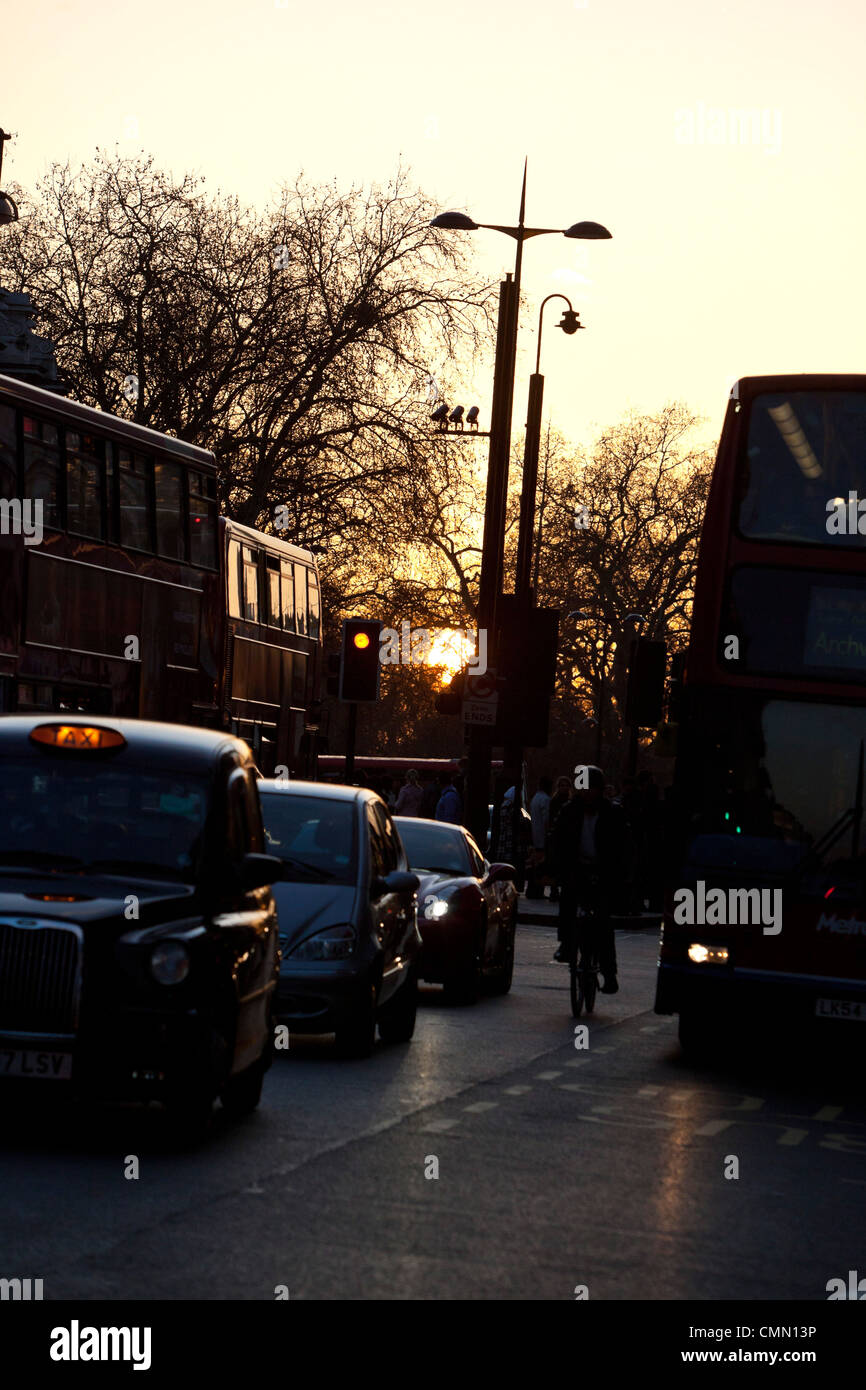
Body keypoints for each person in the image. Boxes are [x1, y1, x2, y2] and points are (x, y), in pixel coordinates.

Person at [548, 764, 630, 993]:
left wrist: (621, 875)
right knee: (568, 903)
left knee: (603, 921)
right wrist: (555, 868)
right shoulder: (568, 811)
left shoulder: (613, 813)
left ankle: (609, 972)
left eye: (591, 788)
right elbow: (556, 840)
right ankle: (566, 944)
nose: (586, 793)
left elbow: (623, 847)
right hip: (576, 868)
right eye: (583, 788)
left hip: (604, 870)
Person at [546, 775, 572, 902]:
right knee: (555, 866)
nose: (564, 787)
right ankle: (554, 890)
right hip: (557, 838)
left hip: (567, 838)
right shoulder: (555, 801)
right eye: (562, 785)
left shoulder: (570, 802)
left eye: (566, 785)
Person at [526, 776, 552, 899]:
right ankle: (537, 890)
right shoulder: (546, 800)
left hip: (535, 836)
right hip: (542, 838)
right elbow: (546, 819)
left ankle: (533, 889)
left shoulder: (535, 799)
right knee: (541, 866)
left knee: (535, 865)